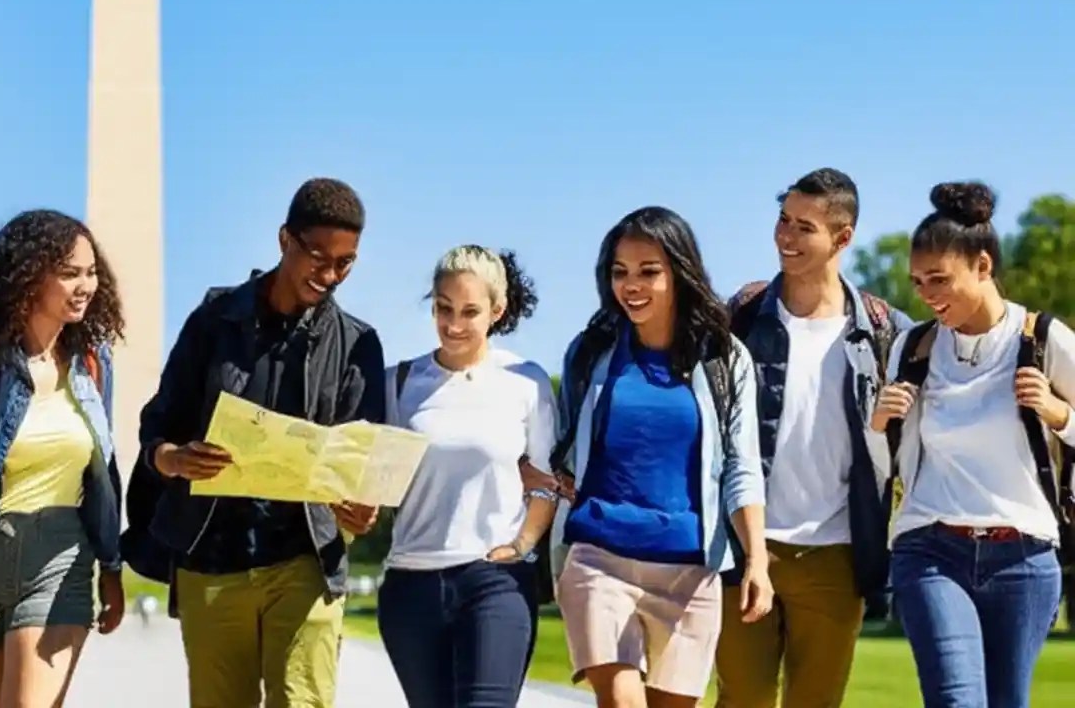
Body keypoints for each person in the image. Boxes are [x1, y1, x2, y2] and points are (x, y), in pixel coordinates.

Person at [130, 177, 385, 708]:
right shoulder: (213, 322)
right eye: (319, 257)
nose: (332, 275)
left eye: (346, 263)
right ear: (284, 240)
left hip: (305, 559)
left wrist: (360, 507)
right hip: (212, 558)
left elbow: (364, 458)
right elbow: (157, 424)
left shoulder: (359, 344)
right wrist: (172, 459)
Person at [549, 206, 773, 708]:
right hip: (599, 558)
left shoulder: (723, 357)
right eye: (620, 272)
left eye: (649, 271)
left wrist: (756, 559)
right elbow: (565, 452)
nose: (632, 285)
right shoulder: (591, 352)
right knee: (625, 700)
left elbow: (741, 465)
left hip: (689, 571)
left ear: (679, 272)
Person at [716, 168, 912, 707]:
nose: (785, 236)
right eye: (783, 220)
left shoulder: (884, 330)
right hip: (743, 544)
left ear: (842, 238)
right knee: (744, 697)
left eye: (804, 227)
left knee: (816, 701)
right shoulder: (744, 315)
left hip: (836, 554)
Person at [872, 181, 1068, 708]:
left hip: (1023, 558)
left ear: (983, 266)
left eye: (940, 279)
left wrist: (1058, 414)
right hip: (931, 549)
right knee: (957, 701)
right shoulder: (915, 347)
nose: (927, 295)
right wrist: (879, 425)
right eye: (918, 283)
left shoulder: (1044, 340)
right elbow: (890, 466)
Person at [0, 209, 126, 707]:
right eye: (70, 272)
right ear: (29, 276)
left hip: (60, 557)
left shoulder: (95, 366)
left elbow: (103, 476)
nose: (86, 285)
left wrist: (113, 569)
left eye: (91, 271)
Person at [377, 245, 560, 708]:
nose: (454, 324)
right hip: (411, 583)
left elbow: (547, 481)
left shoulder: (525, 381)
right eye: (443, 308)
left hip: (495, 581)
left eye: (470, 311)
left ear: (497, 311)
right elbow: (375, 481)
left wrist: (522, 545)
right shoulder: (397, 384)